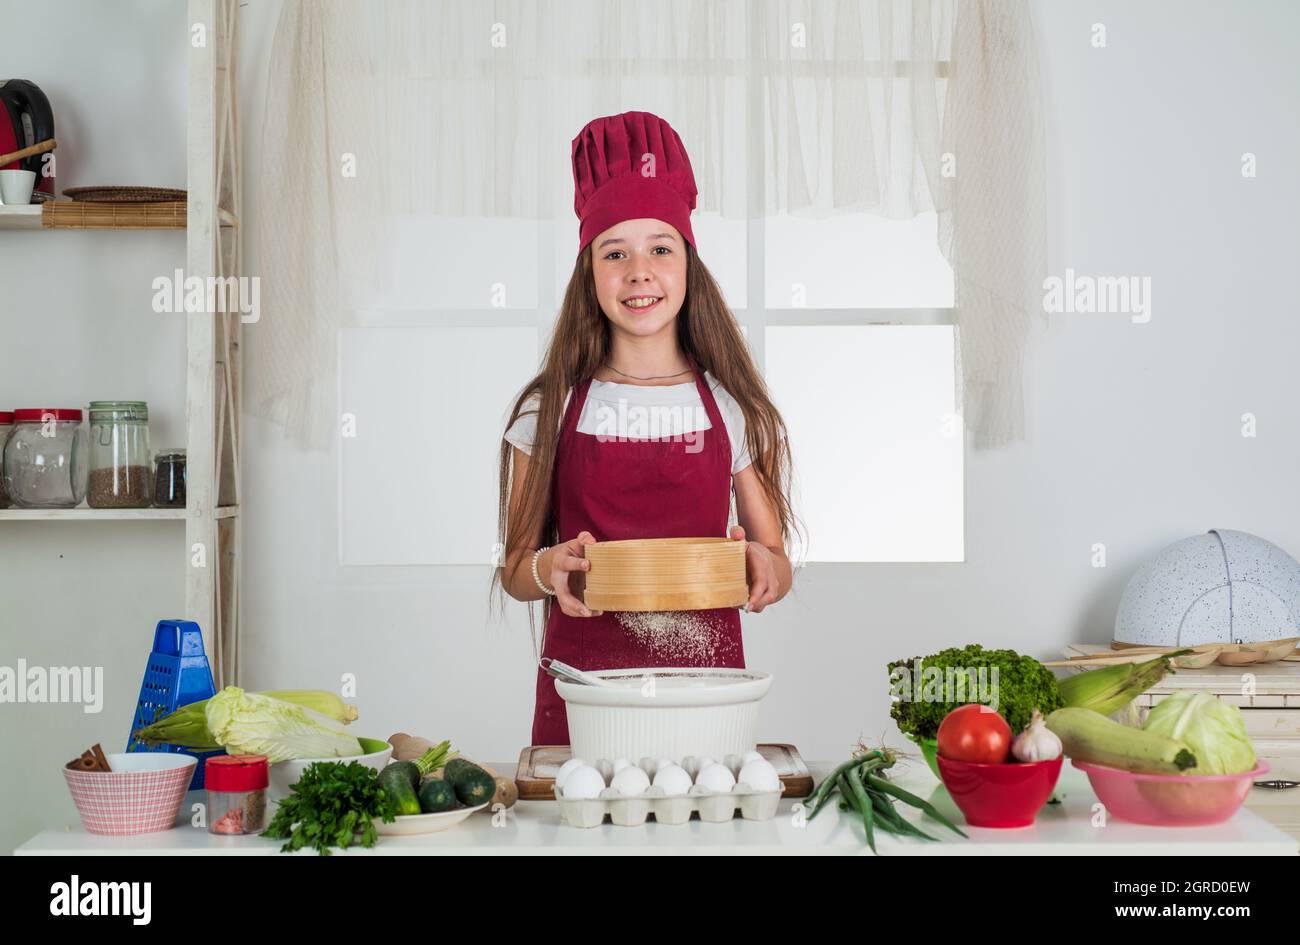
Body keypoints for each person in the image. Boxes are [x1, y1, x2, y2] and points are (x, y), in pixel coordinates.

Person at [493, 110, 800, 745]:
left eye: (660, 248)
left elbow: (776, 556)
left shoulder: (728, 406)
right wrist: (550, 566)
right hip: (586, 695)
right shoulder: (547, 412)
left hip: (705, 695)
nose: (640, 271)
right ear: (590, 273)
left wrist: (764, 567)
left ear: (687, 264)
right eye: (616, 252)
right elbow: (516, 569)